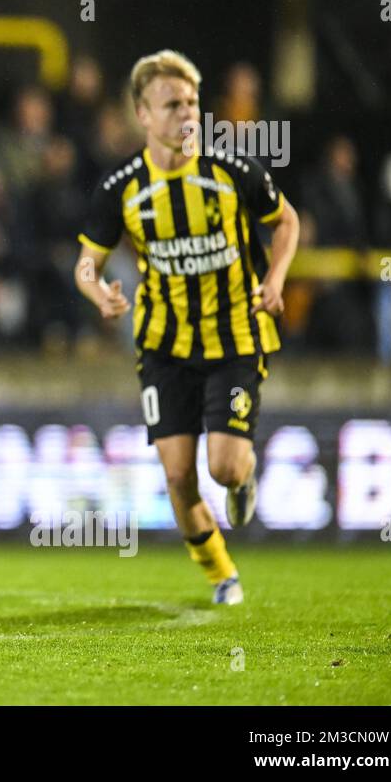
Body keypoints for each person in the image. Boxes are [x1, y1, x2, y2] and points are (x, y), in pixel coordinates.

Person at [73, 50, 299, 605]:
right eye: (172, 104)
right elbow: (85, 262)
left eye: (193, 102)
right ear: (143, 116)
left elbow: (286, 221)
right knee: (178, 475)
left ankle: (243, 476)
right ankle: (223, 574)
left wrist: (274, 278)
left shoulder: (233, 171)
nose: (186, 113)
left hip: (235, 338)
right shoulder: (121, 187)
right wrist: (96, 291)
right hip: (163, 345)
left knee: (222, 467)